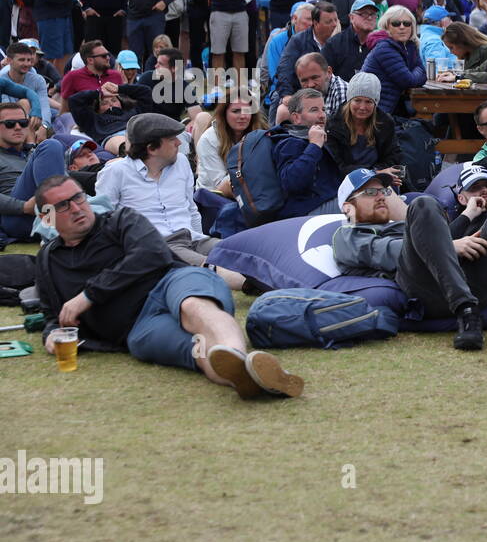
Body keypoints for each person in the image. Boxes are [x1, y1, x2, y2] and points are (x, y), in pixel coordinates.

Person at [33, 175, 301, 397]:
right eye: (64, 206)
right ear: (47, 218)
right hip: (136, 328)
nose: (77, 208)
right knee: (196, 349)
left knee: (194, 307)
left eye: (79, 197)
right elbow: (51, 318)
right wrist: (52, 336)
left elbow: (151, 253)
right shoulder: (48, 262)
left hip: (170, 282)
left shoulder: (120, 220)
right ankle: (247, 379)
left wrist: (89, 295)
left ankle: (238, 356)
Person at [332, 166, 487, 350]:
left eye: (383, 191)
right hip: (428, 290)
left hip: (467, 279)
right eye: (369, 192)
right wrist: (451, 246)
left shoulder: (398, 225)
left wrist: (467, 217)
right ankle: (466, 312)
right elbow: (389, 253)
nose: (381, 196)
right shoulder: (346, 235)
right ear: (348, 207)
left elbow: (440, 242)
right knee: (423, 204)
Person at [94, 113, 241, 290]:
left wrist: (197, 239)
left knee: (240, 251)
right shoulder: (116, 172)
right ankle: (251, 285)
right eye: (172, 139)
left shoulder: (181, 163)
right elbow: (103, 219)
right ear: (151, 148)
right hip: (156, 246)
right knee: (213, 266)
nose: (179, 143)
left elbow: (191, 208)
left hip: (192, 238)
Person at [271, 88, 342, 217]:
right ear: (296, 117)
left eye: (323, 109)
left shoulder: (322, 137)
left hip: (325, 202)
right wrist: (314, 146)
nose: (322, 115)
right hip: (304, 213)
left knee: (376, 191)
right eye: (314, 110)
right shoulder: (289, 142)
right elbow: (292, 183)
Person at [0, 100, 65, 238]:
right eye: (10, 124)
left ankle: (58, 223)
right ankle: (54, 231)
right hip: (17, 216)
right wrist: (24, 207)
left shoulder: (31, 154)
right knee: (51, 145)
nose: (18, 127)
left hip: (46, 210)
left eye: (23, 123)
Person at [323, 72, 402, 178]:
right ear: (349, 100)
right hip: (345, 182)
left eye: (368, 102)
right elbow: (335, 166)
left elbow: (393, 155)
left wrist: (377, 174)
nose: (362, 107)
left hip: (379, 179)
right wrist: (372, 174)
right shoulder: (333, 124)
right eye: (357, 100)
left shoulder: (385, 122)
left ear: (375, 103)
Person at [359, 5, 427, 116]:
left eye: (407, 23)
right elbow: (409, 81)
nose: (402, 27)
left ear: (412, 27)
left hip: (392, 108)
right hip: (375, 112)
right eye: (396, 23)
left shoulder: (409, 46)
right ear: (387, 26)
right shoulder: (385, 48)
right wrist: (416, 71)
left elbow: (422, 72)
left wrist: (417, 71)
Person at [273, 0, 340, 104]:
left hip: (334, 94)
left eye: (336, 20)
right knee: (279, 102)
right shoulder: (298, 41)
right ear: (316, 23)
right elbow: (285, 69)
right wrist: (287, 95)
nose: (334, 25)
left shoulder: (341, 41)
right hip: (302, 93)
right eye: (329, 22)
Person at [196, 98, 267, 194]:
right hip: (215, 197)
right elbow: (220, 186)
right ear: (224, 114)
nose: (242, 116)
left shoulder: (260, 133)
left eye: (247, 111)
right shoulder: (208, 139)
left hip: (254, 192)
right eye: (235, 111)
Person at [322, 0, 380, 82]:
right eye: (364, 14)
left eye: (373, 14)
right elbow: (324, 75)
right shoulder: (335, 44)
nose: (370, 18)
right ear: (351, 18)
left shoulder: (380, 44)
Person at [440, 21, 487, 85]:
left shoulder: (486, 51)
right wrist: (453, 74)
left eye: (451, 47)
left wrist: (457, 76)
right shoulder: (467, 55)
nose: (451, 52)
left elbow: (484, 74)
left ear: (461, 42)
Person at [60, 40, 124, 99]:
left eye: (108, 55)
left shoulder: (116, 75)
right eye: (103, 56)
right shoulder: (72, 77)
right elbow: (65, 109)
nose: (108, 58)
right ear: (90, 60)